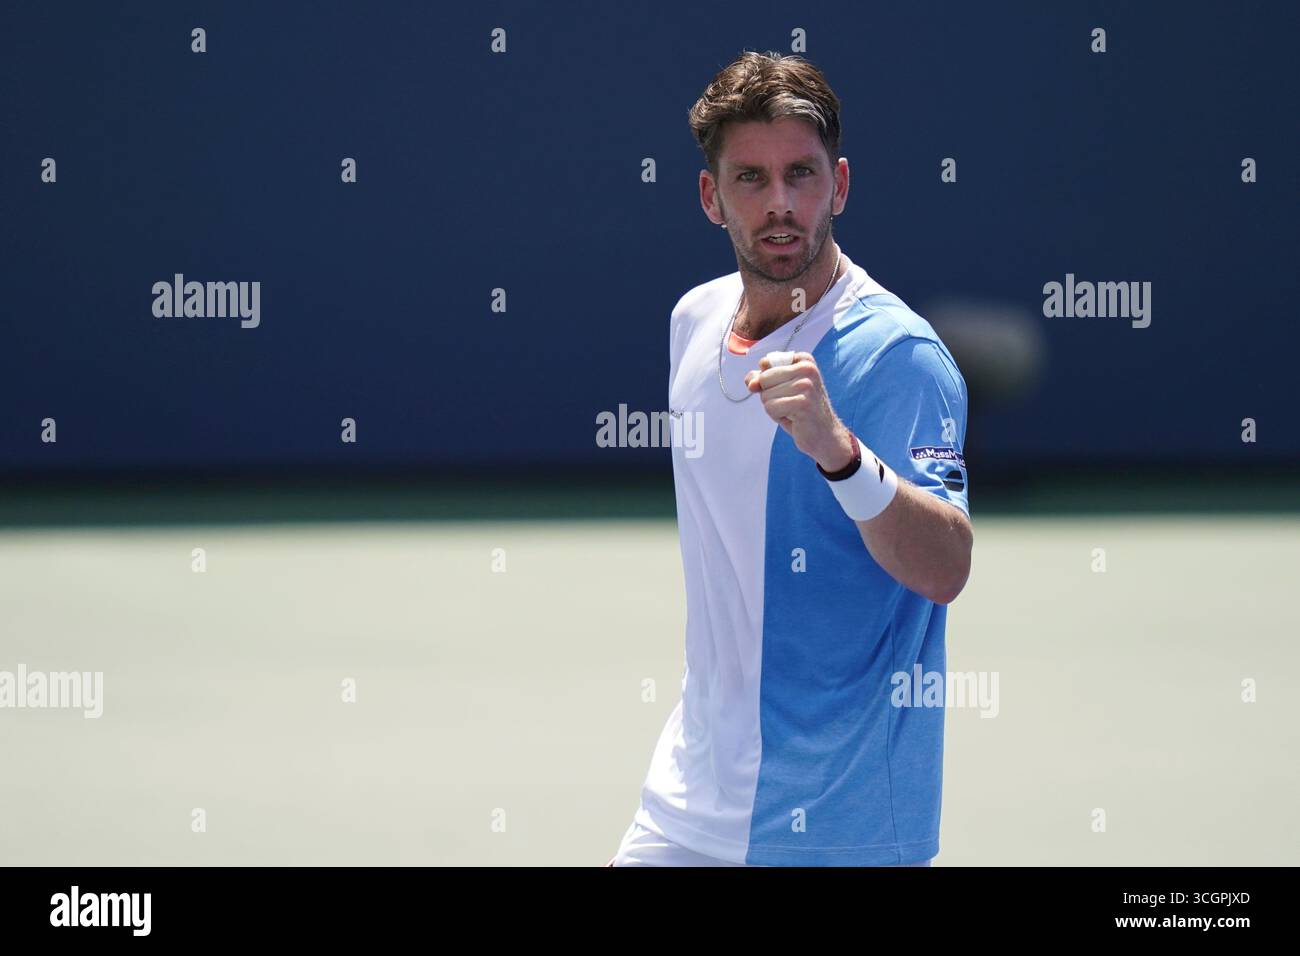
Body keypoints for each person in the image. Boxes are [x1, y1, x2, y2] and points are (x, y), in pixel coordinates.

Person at [610, 51, 973, 867]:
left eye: (801, 175)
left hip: (842, 826)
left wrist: (837, 452)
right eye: (750, 178)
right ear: (712, 197)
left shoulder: (898, 355)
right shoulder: (694, 322)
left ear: (839, 186)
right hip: (688, 806)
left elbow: (946, 566)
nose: (780, 205)